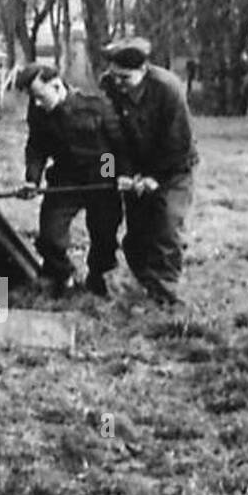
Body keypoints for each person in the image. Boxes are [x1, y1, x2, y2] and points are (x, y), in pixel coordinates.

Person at [15, 63, 128, 298]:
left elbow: (117, 146)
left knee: (104, 235)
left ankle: (98, 281)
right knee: (50, 236)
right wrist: (32, 180)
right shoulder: (38, 111)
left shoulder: (95, 106)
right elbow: (36, 147)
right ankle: (62, 276)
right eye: (32, 98)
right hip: (65, 178)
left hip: (101, 176)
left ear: (56, 85)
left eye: (39, 96)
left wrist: (113, 176)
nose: (36, 103)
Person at [100, 36, 198, 306]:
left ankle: (166, 295)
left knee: (166, 225)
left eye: (125, 78)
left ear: (143, 70)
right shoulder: (108, 87)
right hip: (136, 168)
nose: (118, 83)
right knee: (138, 231)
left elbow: (178, 142)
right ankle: (144, 283)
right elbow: (112, 135)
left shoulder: (168, 89)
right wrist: (121, 172)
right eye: (114, 75)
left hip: (174, 168)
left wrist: (155, 178)